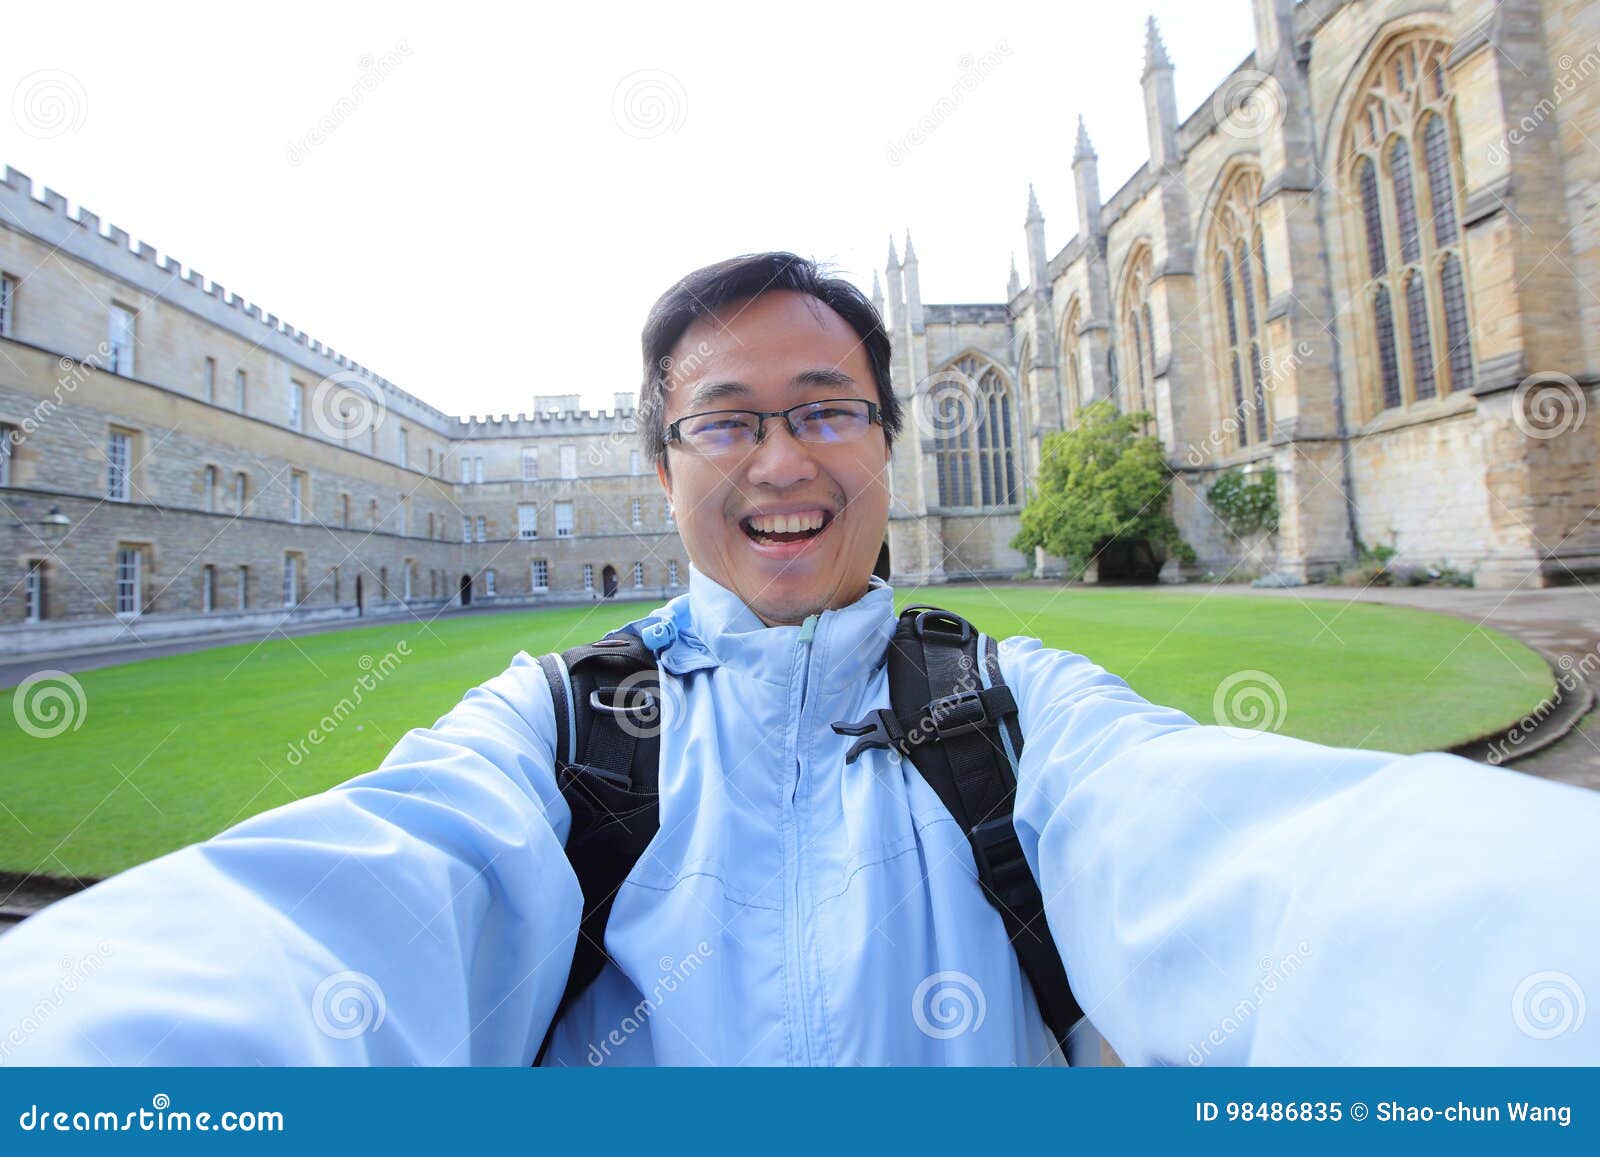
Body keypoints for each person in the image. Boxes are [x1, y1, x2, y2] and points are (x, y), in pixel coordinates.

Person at [1, 252, 1596, 1067]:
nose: (783, 460)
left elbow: (1277, 865)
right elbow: (330, 913)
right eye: (730, 421)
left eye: (828, 409)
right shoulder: (552, 728)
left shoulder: (1021, 709)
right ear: (660, 463)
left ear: (890, 442)